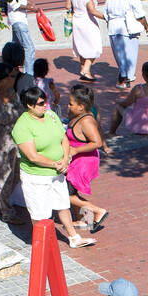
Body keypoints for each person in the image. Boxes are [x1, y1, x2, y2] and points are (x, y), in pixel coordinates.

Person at [11, 85, 92, 247]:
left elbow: (63, 138)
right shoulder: (22, 126)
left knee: (62, 205)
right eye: (41, 103)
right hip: (37, 177)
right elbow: (33, 156)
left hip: (57, 172)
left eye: (45, 101)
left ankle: (73, 237)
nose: (45, 105)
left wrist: (65, 159)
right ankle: (42, 244)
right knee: (40, 213)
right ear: (29, 105)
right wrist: (56, 163)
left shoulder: (51, 115)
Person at [0, 59, 26, 223]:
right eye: (12, 76)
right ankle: (7, 212)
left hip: (16, 141)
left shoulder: (12, 93)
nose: (14, 78)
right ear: (2, 77)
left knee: (15, 176)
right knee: (5, 176)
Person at [63, 84, 109, 232]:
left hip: (84, 162)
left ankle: (97, 211)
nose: (68, 106)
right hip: (77, 161)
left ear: (81, 106)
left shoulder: (86, 121)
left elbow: (97, 142)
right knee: (72, 192)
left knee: (65, 194)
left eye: (71, 104)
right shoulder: (77, 116)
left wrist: (76, 150)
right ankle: (85, 221)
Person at [105, 0, 148, 89]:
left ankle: (125, 77)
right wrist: (146, 26)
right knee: (129, 54)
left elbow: (106, 15)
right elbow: (139, 14)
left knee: (119, 55)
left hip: (113, 29)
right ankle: (125, 78)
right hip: (127, 29)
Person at [107, 61, 148, 137]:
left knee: (118, 107)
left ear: (144, 75)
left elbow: (126, 103)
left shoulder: (139, 88)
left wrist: (118, 102)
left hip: (142, 128)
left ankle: (111, 133)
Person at [66, 0, 105, 82]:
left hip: (76, 22)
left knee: (82, 46)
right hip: (88, 22)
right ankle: (85, 70)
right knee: (95, 47)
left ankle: (85, 70)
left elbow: (68, 6)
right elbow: (92, 11)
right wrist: (106, 17)